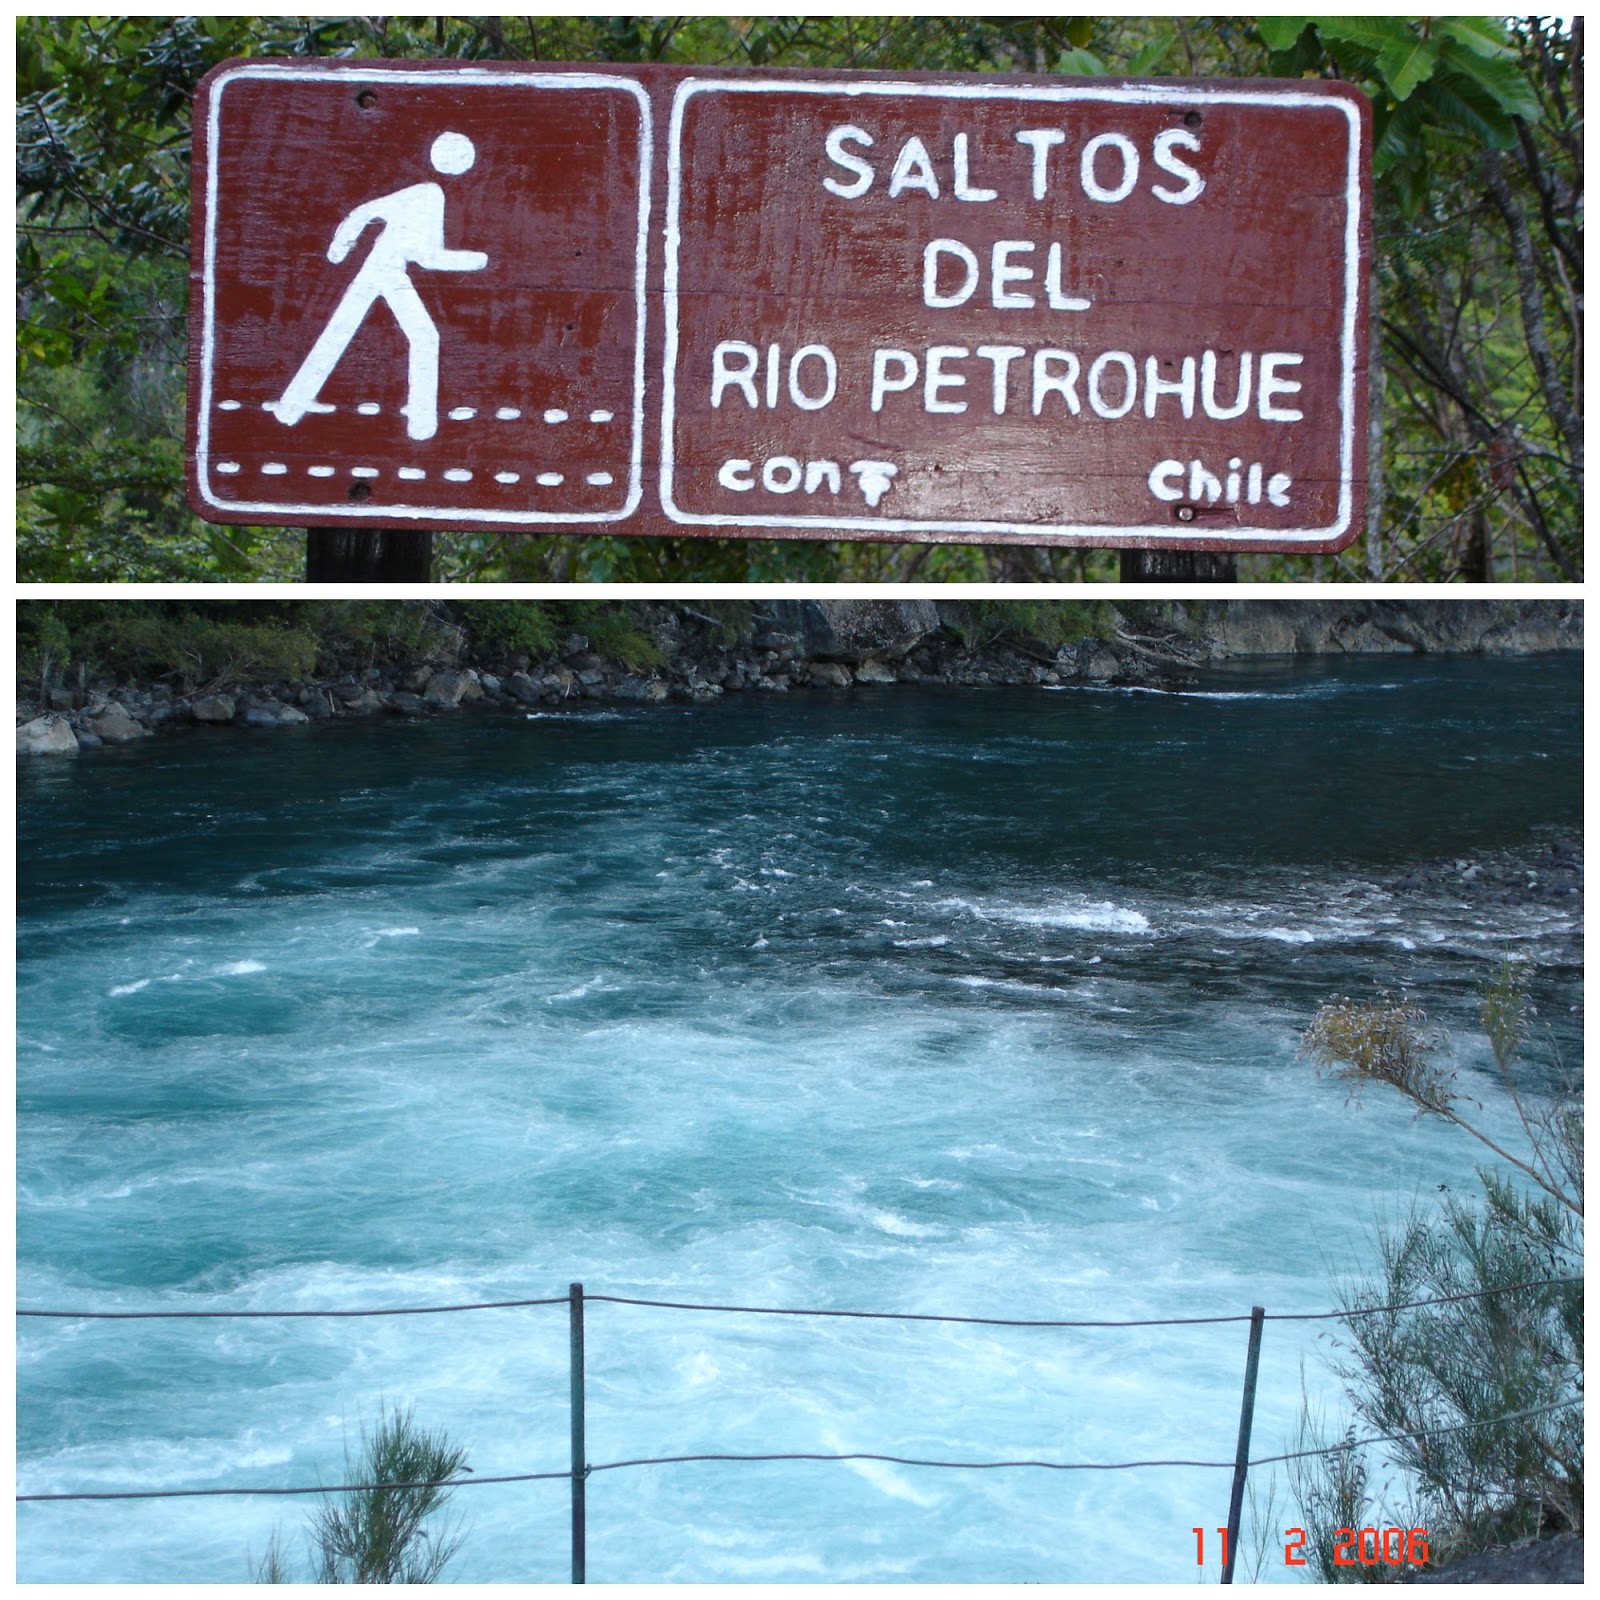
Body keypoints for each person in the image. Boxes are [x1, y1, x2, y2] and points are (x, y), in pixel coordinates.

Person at [266, 131, 488, 442]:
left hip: (385, 272)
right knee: (420, 335)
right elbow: (423, 254)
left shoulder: (425, 193)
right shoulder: (428, 196)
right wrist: (476, 261)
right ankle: (421, 426)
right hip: (381, 271)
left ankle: (291, 407)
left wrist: (342, 246)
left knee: (343, 333)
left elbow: (369, 216)